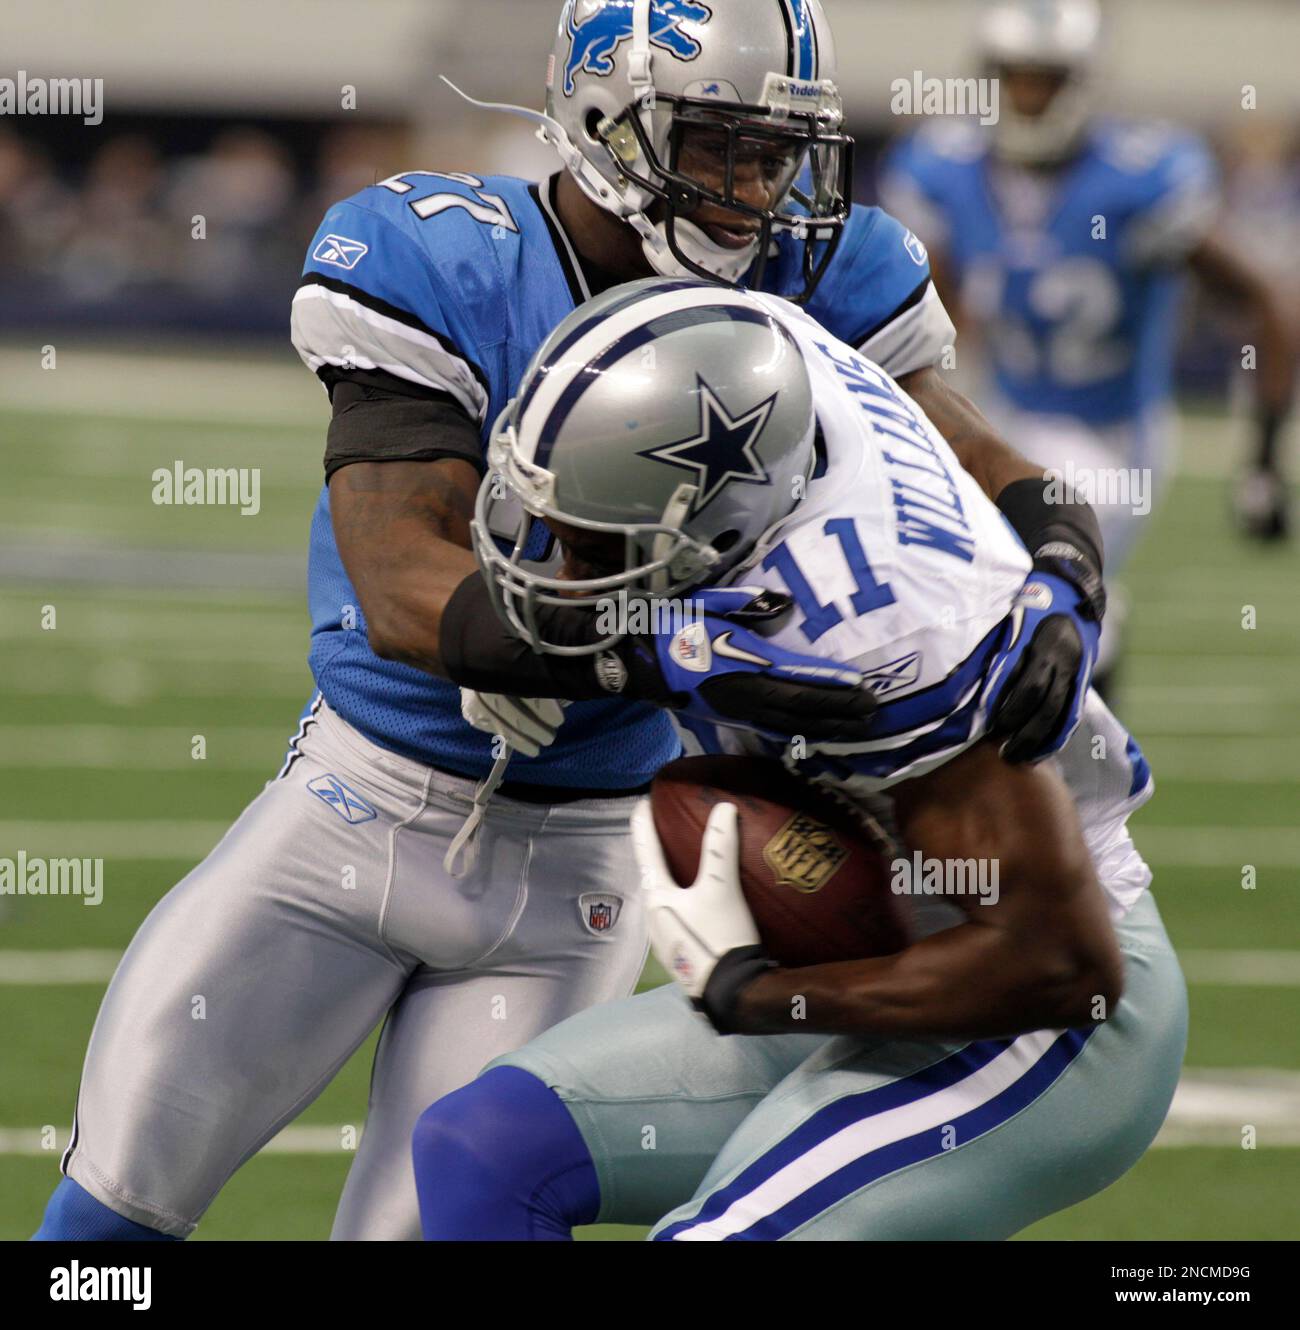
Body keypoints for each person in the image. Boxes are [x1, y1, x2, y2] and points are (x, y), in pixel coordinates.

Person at [35, 0, 1100, 1243]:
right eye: (718, 146)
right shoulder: (444, 255)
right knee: (107, 1232)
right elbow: (401, 586)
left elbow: (967, 446)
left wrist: (1065, 559)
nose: (755, 189)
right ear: (606, 121)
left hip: (583, 869)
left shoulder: (824, 270)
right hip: (358, 812)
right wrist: (675, 647)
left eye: (776, 152)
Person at [410, 277, 1181, 1242]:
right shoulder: (767, 351)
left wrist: (764, 994)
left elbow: (1062, 964)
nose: (561, 570)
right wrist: (669, 646)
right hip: (884, 953)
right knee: (482, 1151)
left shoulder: (890, 634)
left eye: (590, 545)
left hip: (1040, 1020)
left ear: (712, 528)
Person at [881, 0, 1294, 695]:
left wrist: (1262, 460)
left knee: (1031, 591)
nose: (1025, 97)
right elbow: (936, 314)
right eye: (1013, 78)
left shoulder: (1144, 176)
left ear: (1080, 84)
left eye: (1042, 80)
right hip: (1002, 413)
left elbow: (1268, 303)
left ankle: (1087, 706)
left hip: (1111, 437)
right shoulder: (945, 169)